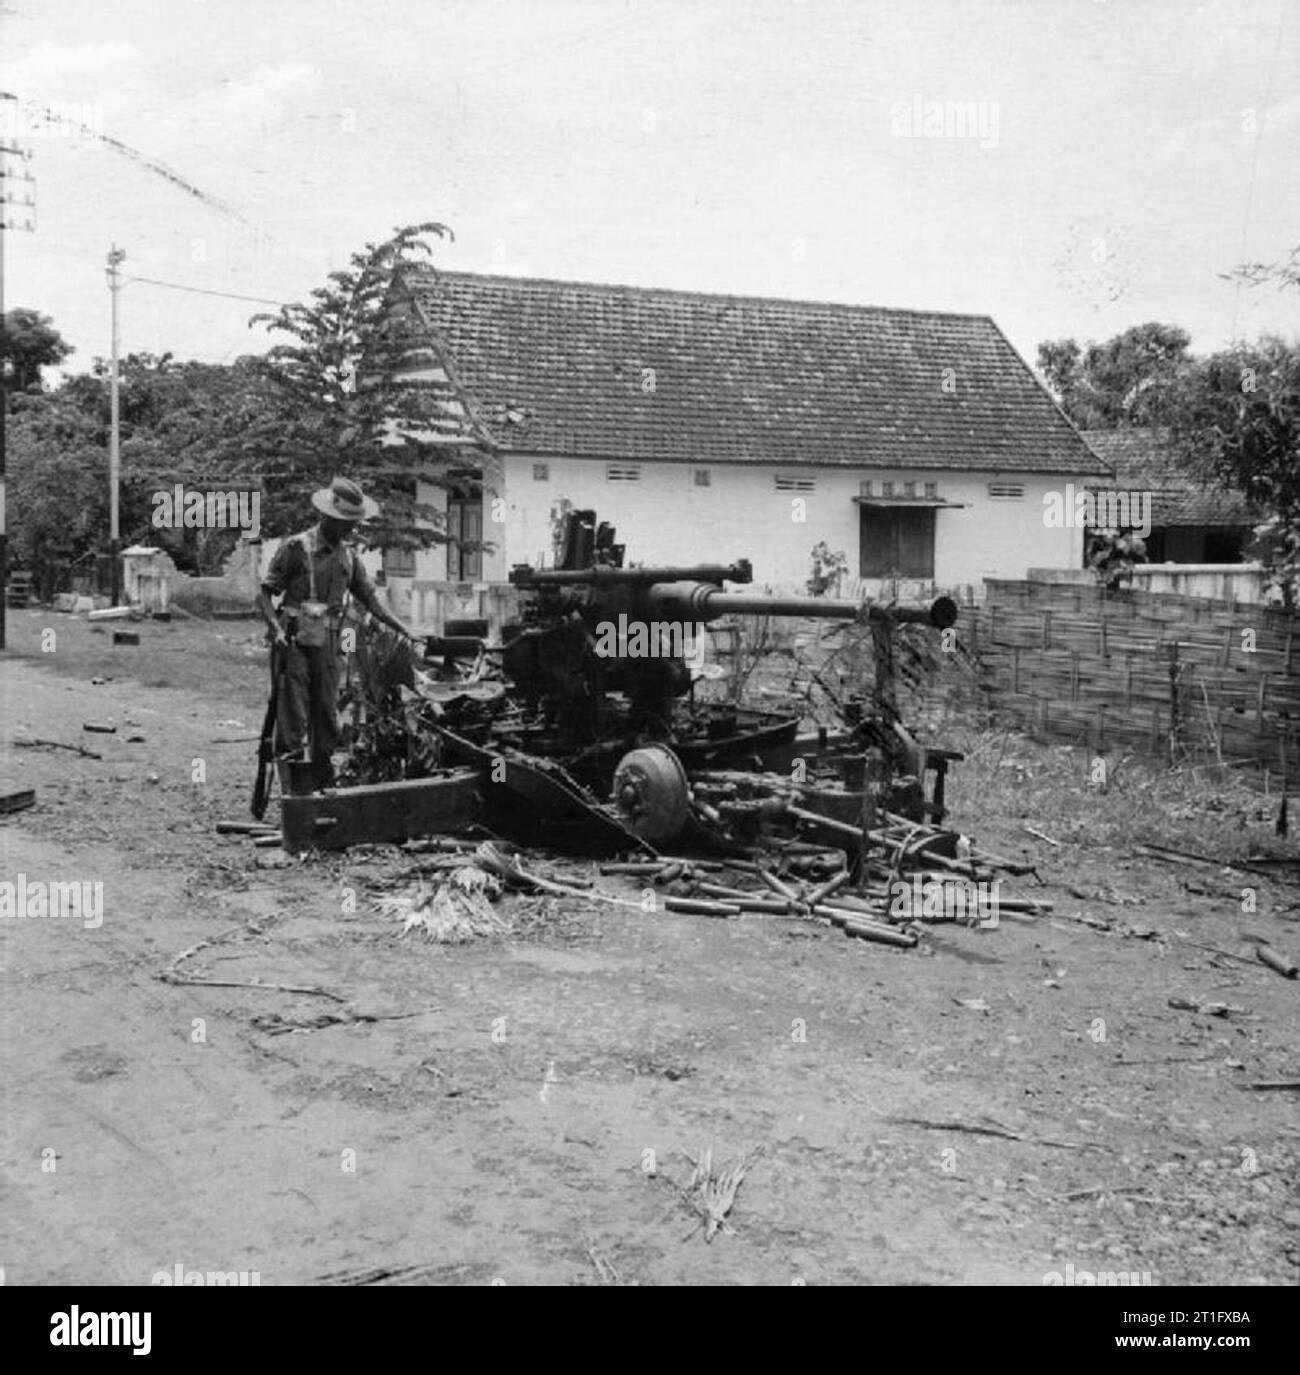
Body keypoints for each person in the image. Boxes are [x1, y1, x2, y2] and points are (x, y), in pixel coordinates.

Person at [256, 476, 418, 790]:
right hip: (294, 641)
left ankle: (322, 787)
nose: (350, 529)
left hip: (329, 644)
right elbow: (264, 593)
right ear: (327, 517)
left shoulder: (349, 557)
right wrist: (274, 629)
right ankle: (293, 796)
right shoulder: (296, 548)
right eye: (345, 522)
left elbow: (370, 601)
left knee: (327, 718)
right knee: (293, 718)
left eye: (353, 523)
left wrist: (405, 629)